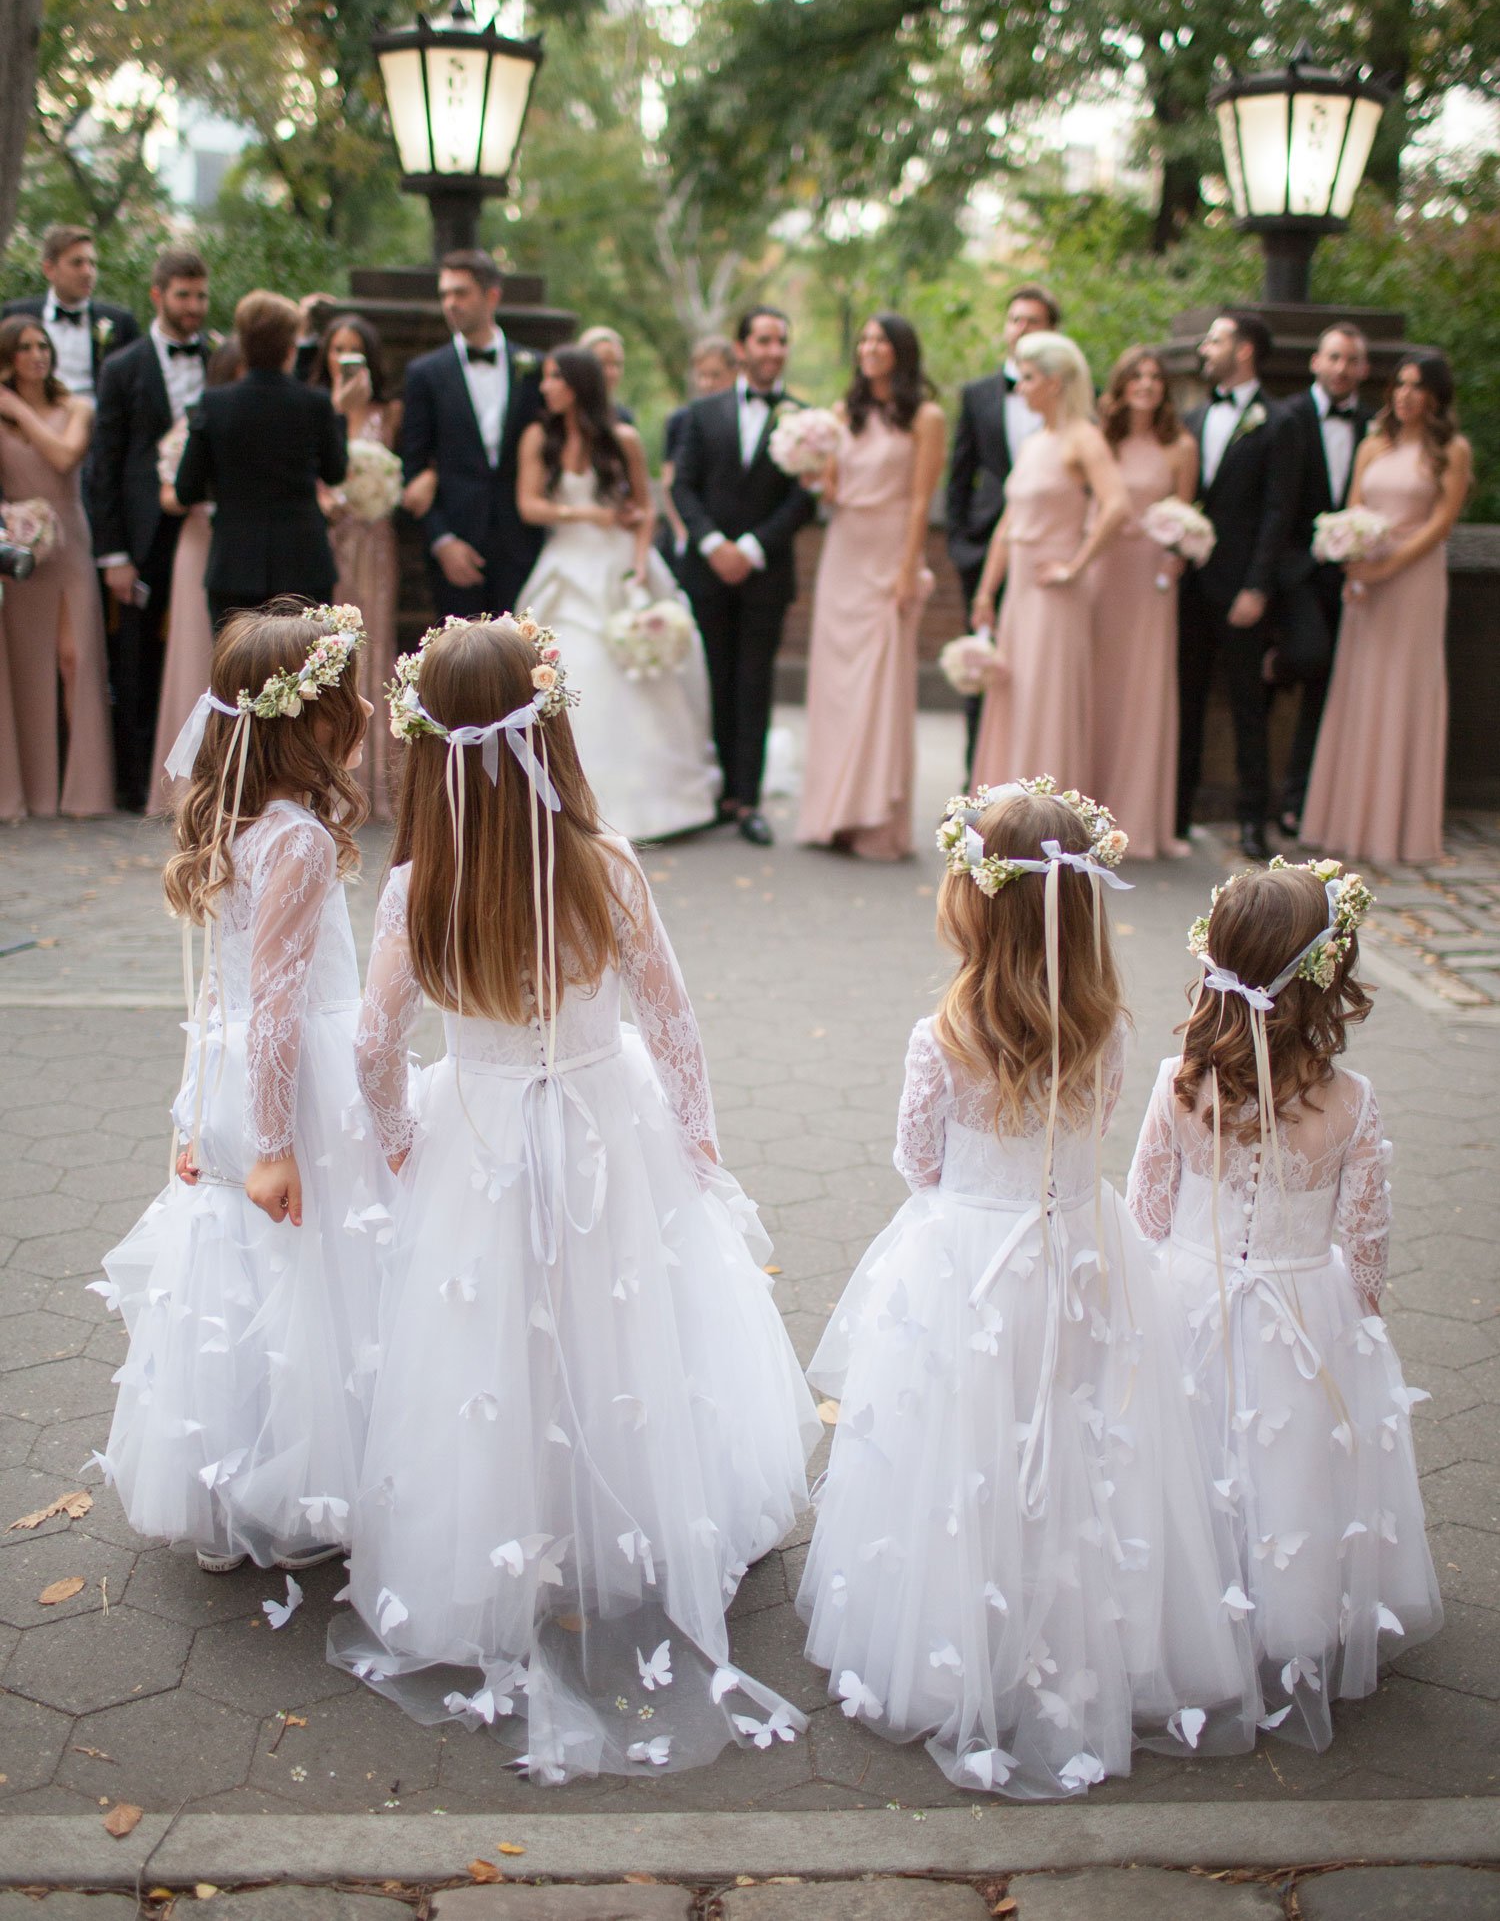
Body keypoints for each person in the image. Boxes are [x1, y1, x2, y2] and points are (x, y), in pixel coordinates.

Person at [329, 614, 818, 1779]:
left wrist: (401, 1142)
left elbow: (371, 1047)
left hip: (482, 1132)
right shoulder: (607, 864)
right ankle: (633, 1527)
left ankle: (512, 1536)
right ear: (553, 736)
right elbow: (673, 1019)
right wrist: (696, 1150)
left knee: (493, 1345)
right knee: (623, 1326)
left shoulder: (419, 888)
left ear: (431, 755)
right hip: (613, 1123)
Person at [797, 782, 1259, 1797]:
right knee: (1079, 1433)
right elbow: (1089, 1141)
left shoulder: (942, 1037)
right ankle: (1073, 1637)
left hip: (966, 1257)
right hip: (1077, 1252)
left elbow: (918, 1162)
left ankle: (957, 1637)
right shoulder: (1110, 1030)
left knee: (957, 1447)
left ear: (973, 904)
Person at [96, 603, 383, 1573]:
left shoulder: (237, 820)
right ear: (309, 720)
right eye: (350, 695)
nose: (369, 707)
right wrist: (270, 1145)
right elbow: (271, 1005)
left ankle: (246, 1460)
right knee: (315, 1281)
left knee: (252, 1278)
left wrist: (194, 1109)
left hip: (232, 1073)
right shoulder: (294, 839)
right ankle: (310, 1475)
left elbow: (213, 994)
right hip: (296, 1086)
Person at [1129, 860, 1442, 1749]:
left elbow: (1147, 1212)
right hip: (1306, 1306)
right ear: (1327, 981)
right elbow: (1367, 1238)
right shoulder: (1351, 1105)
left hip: (1189, 1291)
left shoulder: (1177, 1082)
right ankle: (1289, 1618)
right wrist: (1359, 1323)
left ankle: (1187, 1615)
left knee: (1192, 1456)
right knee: (1293, 1467)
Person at [518, 346, 720, 842]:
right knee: (572, 667)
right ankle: (565, 798)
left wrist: (636, 568)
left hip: (618, 563)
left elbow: (647, 509)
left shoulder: (622, 438)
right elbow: (530, 506)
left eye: (554, 378)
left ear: (578, 385)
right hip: (566, 566)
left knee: (637, 678)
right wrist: (588, 516)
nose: (545, 388)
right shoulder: (538, 437)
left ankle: (649, 801)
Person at [1300, 354, 1471, 864]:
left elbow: (1441, 525)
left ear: (1436, 396)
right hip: (1365, 583)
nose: (1405, 394)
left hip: (1413, 581)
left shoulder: (1451, 451)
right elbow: (1351, 511)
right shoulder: (1373, 444)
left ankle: (1398, 829)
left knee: (1404, 685)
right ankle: (1346, 821)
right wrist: (1350, 558)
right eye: (1400, 384)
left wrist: (1387, 565)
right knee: (1361, 685)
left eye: (1418, 386)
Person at [796, 312, 945, 860]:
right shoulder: (844, 413)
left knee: (881, 687)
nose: (870, 347)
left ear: (902, 351)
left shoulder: (926, 417)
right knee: (836, 689)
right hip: (844, 553)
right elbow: (831, 491)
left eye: (881, 339)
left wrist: (909, 568)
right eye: (863, 338)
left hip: (889, 556)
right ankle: (833, 815)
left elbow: (922, 499)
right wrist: (811, 470)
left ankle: (876, 820)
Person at [670, 306, 817, 845]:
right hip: (707, 570)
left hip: (765, 573)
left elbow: (804, 501)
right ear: (741, 348)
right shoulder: (701, 413)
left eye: (781, 340)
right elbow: (683, 486)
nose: (773, 350)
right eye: (763, 339)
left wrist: (751, 548)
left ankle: (748, 802)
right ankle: (717, 792)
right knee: (711, 679)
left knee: (754, 683)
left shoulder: (805, 420)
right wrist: (713, 544)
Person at [969, 332, 1129, 792]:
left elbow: (1116, 505)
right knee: (1014, 696)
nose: (1020, 387)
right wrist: (985, 592)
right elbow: (1007, 524)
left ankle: (1046, 824)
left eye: (1029, 377)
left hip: (1054, 593)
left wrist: (1076, 566)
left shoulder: (1084, 438)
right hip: (1018, 592)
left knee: (1045, 700)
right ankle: (1005, 816)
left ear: (1055, 382)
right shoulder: (1036, 441)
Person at [91, 246, 213, 811]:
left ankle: (205, 778)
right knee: (136, 655)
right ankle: (138, 781)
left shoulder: (221, 361)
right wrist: (113, 552)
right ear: (158, 296)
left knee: (202, 651)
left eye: (201, 296)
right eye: (184, 296)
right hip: (142, 536)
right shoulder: (121, 368)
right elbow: (106, 465)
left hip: (207, 529)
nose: (194, 307)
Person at [1176, 311, 1283, 863]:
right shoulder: (1192, 418)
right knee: (1184, 699)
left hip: (1242, 589)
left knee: (1248, 707)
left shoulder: (1277, 421)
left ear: (1244, 351)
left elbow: (1277, 512)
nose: (1206, 347)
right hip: (1190, 586)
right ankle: (1176, 812)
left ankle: (1251, 823)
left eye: (1216, 339)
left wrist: (1258, 586)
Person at [176, 291, 348, 627]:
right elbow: (336, 472)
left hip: (234, 563)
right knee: (305, 671)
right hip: (303, 560)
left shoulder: (214, 404)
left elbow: (186, 489)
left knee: (239, 674)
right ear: (290, 346)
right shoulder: (314, 404)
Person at [0, 317, 114, 818]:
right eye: (25, 347)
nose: (37, 354)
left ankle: (84, 791)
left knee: (75, 658)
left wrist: (16, 410)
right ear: (9, 357)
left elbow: (66, 456)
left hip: (70, 544)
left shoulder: (77, 406)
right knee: (25, 665)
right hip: (23, 549)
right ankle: (29, 791)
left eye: (43, 345)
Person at [945, 284, 1059, 770]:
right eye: (1015, 319)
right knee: (982, 667)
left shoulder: (1080, 401)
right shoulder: (977, 394)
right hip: (985, 548)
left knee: (1036, 671)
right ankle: (978, 779)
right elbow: (959, 474)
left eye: (1033, 321)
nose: (1021, 328)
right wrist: (960, 546)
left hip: (1046, 553)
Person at [1265, 324, 1372, 838]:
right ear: (1316, 361)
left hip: (1350, 576)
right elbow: (1274, 501)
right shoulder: (1285, 416)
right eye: (1334, 357)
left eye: (1351, 360)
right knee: (1308, 656)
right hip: (1292, 573)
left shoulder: (1375, 424)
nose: (1342, 368)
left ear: (1364, 369)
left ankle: (1297, 803)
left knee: (1327, 693)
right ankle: (1276, 664)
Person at [1091, 347, 1199, 860]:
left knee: (1143, 689)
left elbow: (1187, 516)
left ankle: (1138, 818)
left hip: (1151, 581)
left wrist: (1178, 555)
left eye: (1156, 377)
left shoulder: (1179, 447)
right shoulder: (1101, 440)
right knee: (1097, 684)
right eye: (1137, 375)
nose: (1147, 384)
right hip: (1104, 570)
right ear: (1121, 383)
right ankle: (1086, 808)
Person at [400, 248, 543, 621]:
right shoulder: (425, 374)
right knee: (457, 662)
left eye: (460, 293)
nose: (450, 303)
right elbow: (412, 466)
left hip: (523, 542)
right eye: (444, 294)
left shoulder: (534, 367)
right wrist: (442, 541)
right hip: (457, 544)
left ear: (491, 295)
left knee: (523, 662)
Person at [310, 314, 405, 818]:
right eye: (336, 349)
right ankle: (323, 770)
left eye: (354, 351)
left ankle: (372, 781)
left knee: (374, 641)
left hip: (372, 538)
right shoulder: (316, 407)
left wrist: (382, 494)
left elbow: (400, 470)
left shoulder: (388, 412)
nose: (343, 360)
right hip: (329, 537)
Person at [146, 340, 244, 817]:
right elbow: (170, 495)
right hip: (201, 538)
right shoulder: (198, 420)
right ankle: (189, 781)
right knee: (195, 654)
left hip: (236, 537)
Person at [2, 222, 140, 407]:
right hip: (29, 416)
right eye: (77, 263)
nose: (88, 272)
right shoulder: (16, 314)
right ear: (49, 269)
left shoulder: (120, 321)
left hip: (95, 425)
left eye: (92, 264)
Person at [660, 334, 737, 557]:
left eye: (715, 375)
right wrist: (681, 531)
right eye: (701, 376)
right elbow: (670, 480)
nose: (707, 383)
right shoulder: (681, 419)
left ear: (734, 372)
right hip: (689, 531)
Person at [578, 323, 635, 424]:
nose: (611, 372)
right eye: (602, 363)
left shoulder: (623, 417)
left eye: (617, 364)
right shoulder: (567, 414)